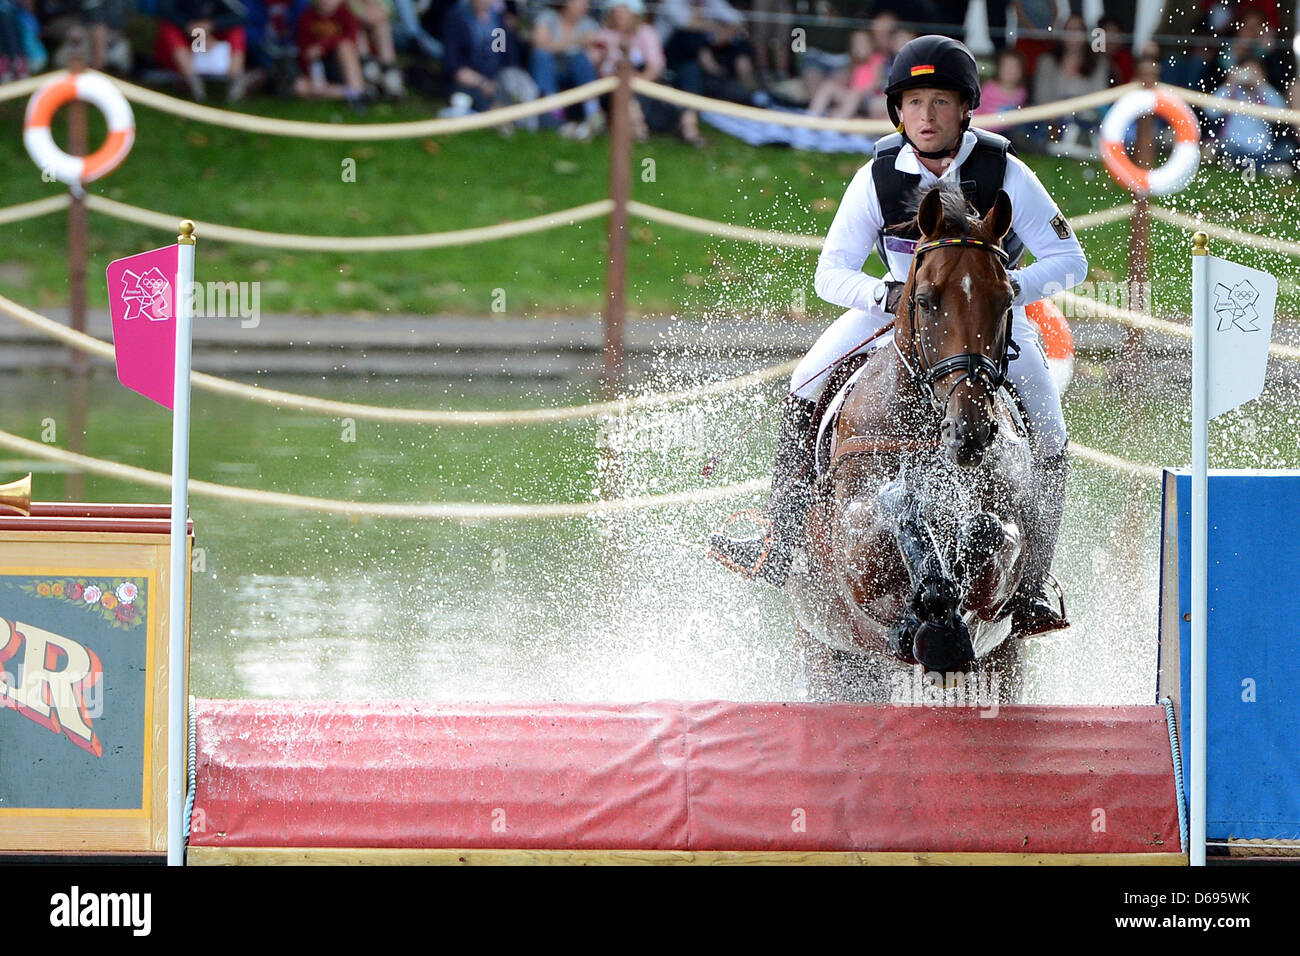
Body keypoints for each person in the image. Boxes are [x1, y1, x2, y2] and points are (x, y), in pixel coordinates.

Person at [709, 35, 1088, 639]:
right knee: (803, 382)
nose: (927, 117)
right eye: (914, 103)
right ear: (897, 111)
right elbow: (830, 273)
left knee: (1049, 426)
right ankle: (778, 537)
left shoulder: (1005, 172)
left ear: (966, 109)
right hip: (893, 306)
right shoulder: (877, 178)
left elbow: (1071, 261)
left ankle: (1037, 581)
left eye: (940, 102)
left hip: (982, 321)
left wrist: (1007, 287)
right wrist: (884, 295)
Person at [530, 0, 602, 139]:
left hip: (575, 73)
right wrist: (575, 41)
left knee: (580, 59)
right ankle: (553, 110)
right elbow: (539, 44)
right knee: (541, 56)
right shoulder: (547, 17)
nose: (584, 6)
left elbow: (594, 58)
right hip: (550, 70)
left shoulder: (590, 24)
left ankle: (592, 111)